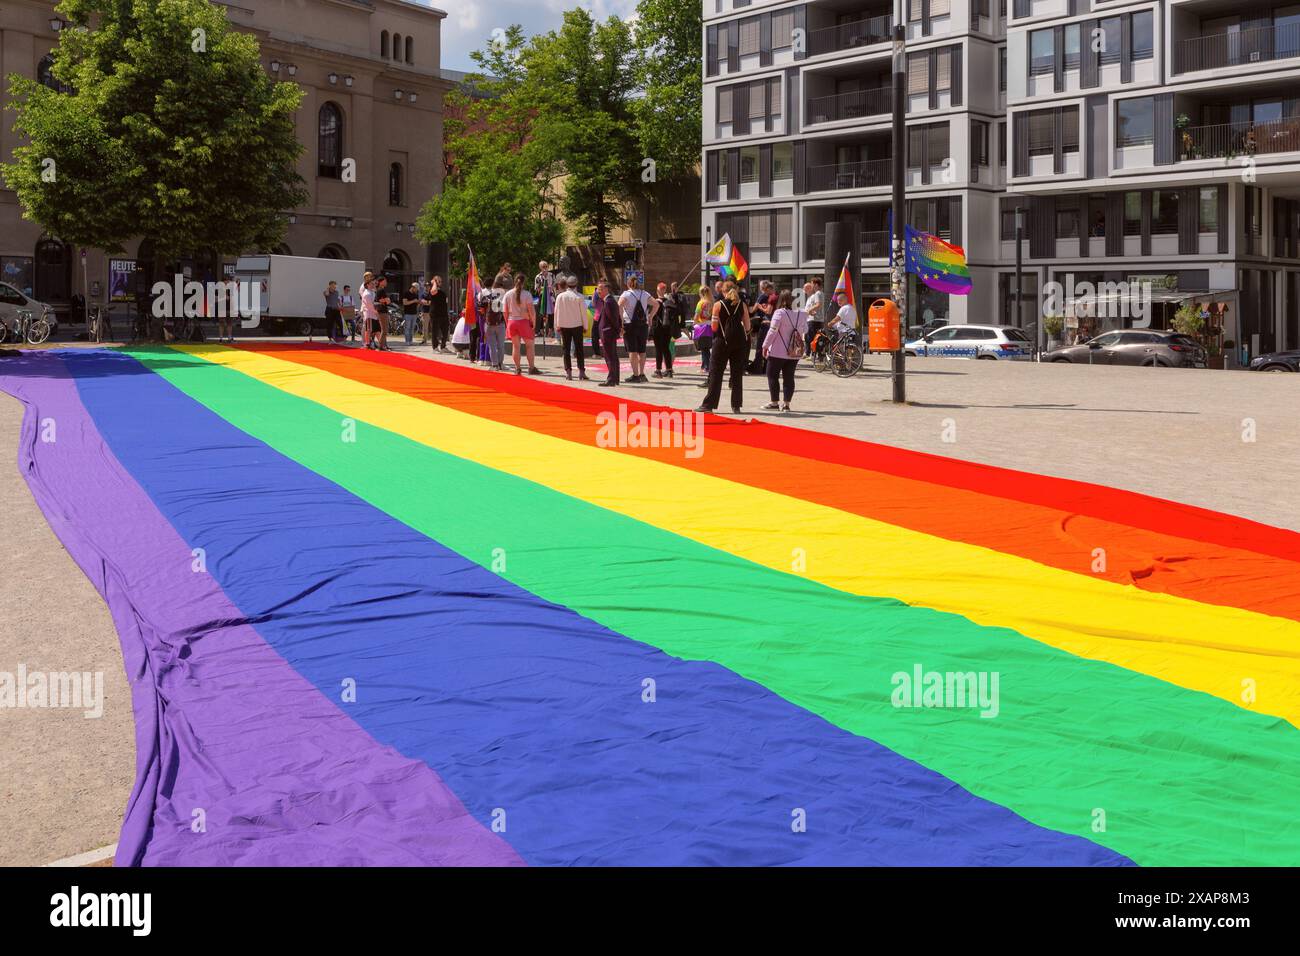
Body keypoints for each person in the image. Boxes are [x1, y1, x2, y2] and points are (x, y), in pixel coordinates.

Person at [697, 279, 750, 414]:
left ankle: (709, 405)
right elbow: (748, 326)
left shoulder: (718, 305)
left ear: (723, 291)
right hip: (739, 343)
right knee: (737, 374)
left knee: (716, 373)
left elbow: (714, 327)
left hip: (722, 342)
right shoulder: (742, 305)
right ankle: (736, 406)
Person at [762, 289, 808, 413]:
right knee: (789, 377)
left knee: (772, 375)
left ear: (780, 300)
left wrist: (765, 346)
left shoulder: (779, 313)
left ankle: (774, 402)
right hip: (794, 351)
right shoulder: (802, 313)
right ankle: (786, 404)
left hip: (777, 351)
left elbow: (773, 331)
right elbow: (805, 330)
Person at [618, 275, 657, 383]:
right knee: (642, 350)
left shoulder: (626, 294)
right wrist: (650, 316)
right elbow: (656, 304)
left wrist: (620, 321)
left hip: (630, 324)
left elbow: (619, 306)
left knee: (632, 350)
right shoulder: (644, 293)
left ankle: (635, 375)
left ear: (628, 283)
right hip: (643, 325)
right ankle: (642, 373)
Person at [503, 273, 540, 375]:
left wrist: (507, 323)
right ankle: (531, 368)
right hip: (524, 322)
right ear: (524, 283)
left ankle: (517, 368)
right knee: (530, 346)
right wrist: (534, 323)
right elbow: (532, 312)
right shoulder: (527, 294)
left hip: (512, 321)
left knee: (516, 346)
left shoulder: (507, 294)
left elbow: (504, 311)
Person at [553, 275, 589, 381]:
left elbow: (556, 312)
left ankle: (568, 372)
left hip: (564, 326)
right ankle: (581, 371)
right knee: (579, 349)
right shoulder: (580, 297)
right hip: (577, 325)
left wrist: (557, 326)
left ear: (567, 285)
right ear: (576, 285)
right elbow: (584, 314)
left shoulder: (560, 296)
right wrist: (586, 326)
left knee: (566, 349)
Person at [652, 281, 684, 378]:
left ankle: (658, 370)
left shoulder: (655, 302)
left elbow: (652, 316)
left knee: (658, 349)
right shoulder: (669, 302)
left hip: (658, 328)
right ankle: (669, 370)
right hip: (668, 328)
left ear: (657, 290)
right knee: (666, 349)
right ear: (665, 290)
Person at [594, 279, 622, 387]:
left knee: (610, 356)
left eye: (600, 289)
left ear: (606, 289)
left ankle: (611, 379)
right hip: (608, 332)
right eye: (597, 290)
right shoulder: (608, 301)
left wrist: (616, 330)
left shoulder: (609, 301)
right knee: (612, 356)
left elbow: (613, 319)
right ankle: (615, 378)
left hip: (608, 333)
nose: (598, 292)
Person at [480, 274, 508, 369]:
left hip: (488, 323)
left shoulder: (484, 295)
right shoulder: (502, 295)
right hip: (500, 323)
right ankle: (501, 364)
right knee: (501, 345)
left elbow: (481, 307)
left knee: (492, 346)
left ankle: (494, 365)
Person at [748, 280, 775, 374]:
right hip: (772, 324)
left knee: (760, 347)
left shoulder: (763, 296)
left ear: (764, 288)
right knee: (768, 347)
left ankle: (757, 368)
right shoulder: (774, 297)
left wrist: (758, 307)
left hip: (764, 323)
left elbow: (754, 309)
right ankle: (766, 368)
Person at [692, 286, 714, 382]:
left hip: (701, 327)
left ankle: (706, 367)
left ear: (701, 293)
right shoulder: (711, 303)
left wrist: (694, 322)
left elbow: (696, 316)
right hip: (709, 327)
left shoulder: (700, 303)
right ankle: (705, 366)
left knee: (703, 349)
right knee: (707, 348)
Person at [534, 261, 556, 340]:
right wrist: (543, 288)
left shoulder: (552, 275)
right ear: (540, 267)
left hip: (550, 296)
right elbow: (536, 289)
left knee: (551, 313)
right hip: (542, 296)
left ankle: (551, 330)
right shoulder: (538, 276)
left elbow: (554, 285)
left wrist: (550, 288)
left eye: (546, 266)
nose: (545, 268)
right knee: (541, 312)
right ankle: (540, 330)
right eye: (543, 266)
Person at [428, 276, 449, 351]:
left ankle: (443, 346)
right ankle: (435, 347)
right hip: (435, 315)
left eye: (441, 281)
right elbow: (434, 291)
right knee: (435, 331)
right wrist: (434, 282)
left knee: (445, 331)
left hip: (444, 314)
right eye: (439, 281)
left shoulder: (442, 292)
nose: (441, 283)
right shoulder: (433, 290)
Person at [360, 272, 380, 350]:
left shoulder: (372, 292)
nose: (373, 285)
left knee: (377, 330)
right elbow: (369, 305)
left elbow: (373, 302)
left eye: (373, 283)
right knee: (368, 329)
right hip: (369, 313)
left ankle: (381, 343)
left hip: (373, 313)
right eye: (371, 284)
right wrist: (376, 312)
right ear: (367, 284)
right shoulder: (367, 293)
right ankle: (367, 344)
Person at [804, 277, 824, 351]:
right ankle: (815, 354)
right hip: (817, 319)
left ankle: (813, 353)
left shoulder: (818, 293)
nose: (811, 285)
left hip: (815, 320)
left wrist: (809, 310)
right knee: (815, 338)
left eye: (812, 283)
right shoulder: (820, 293)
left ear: (816, 284)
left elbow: (818, 304)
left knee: (812, 338)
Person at [374, 275, 392, 350]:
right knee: (384, 330)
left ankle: (383, 346)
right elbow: (380, 300)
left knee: (384, 330)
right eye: (385, 281)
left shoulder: (381, 290)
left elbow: (388, 300)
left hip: (383, 311)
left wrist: (386, 300)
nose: (386, 282)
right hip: (382, 311)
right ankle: (381, 346)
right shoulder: (380, 290)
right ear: (381, 282)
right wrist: (386, 300)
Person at [401, 282, 420, 346]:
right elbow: (405, 303)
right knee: (407, 327)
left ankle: (411, 340)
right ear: (413, 287)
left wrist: (418, 303)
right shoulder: (406, 293)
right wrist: (413, 301)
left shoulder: (416, 294)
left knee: (412, 328)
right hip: (408, 313)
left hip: (414, 313)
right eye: (416, 289)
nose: (416, 290)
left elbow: (416, 304)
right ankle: (407, 341)